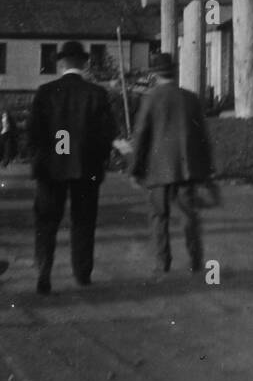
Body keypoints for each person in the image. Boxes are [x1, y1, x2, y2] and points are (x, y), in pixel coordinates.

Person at [27, 40, 116, 295]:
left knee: (46, 221)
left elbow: (33, 133)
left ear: (62, 62)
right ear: (84, 62)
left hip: (50, 168)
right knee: (83, 221)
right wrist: (99, 160)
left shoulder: (45, 92)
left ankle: (44, 269)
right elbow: (106, 133)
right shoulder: (96, 94)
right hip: (85, 168)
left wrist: (43, 156)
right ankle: (82, 273)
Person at [129, 52, 214, 276]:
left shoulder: (150, 98)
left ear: (154, 75)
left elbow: (140, 136)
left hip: (157, 169)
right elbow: (202, 136)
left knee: (159, 216)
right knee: (189, 215)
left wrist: (134, 169)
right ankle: (196, 260)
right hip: (186, 168)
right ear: (174, 72)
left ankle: (162, 262)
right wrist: (205, 170)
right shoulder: (190, 98)